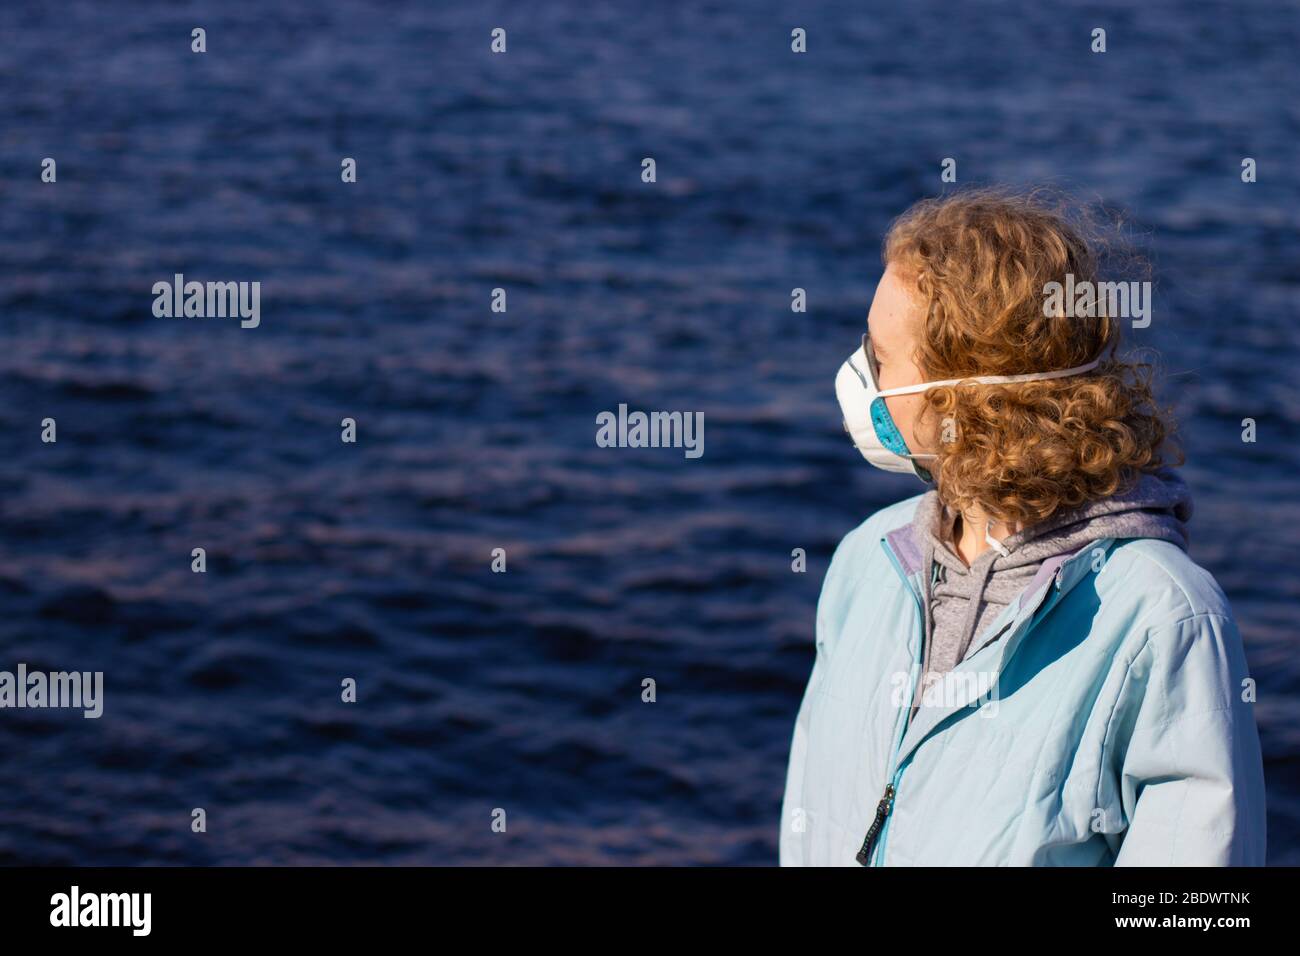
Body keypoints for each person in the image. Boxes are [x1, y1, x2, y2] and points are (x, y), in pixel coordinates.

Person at [778, 188, 1267, 866]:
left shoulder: (1164, 620)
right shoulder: (870, 561)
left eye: (880, 354)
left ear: (963, 401)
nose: (860, 373)